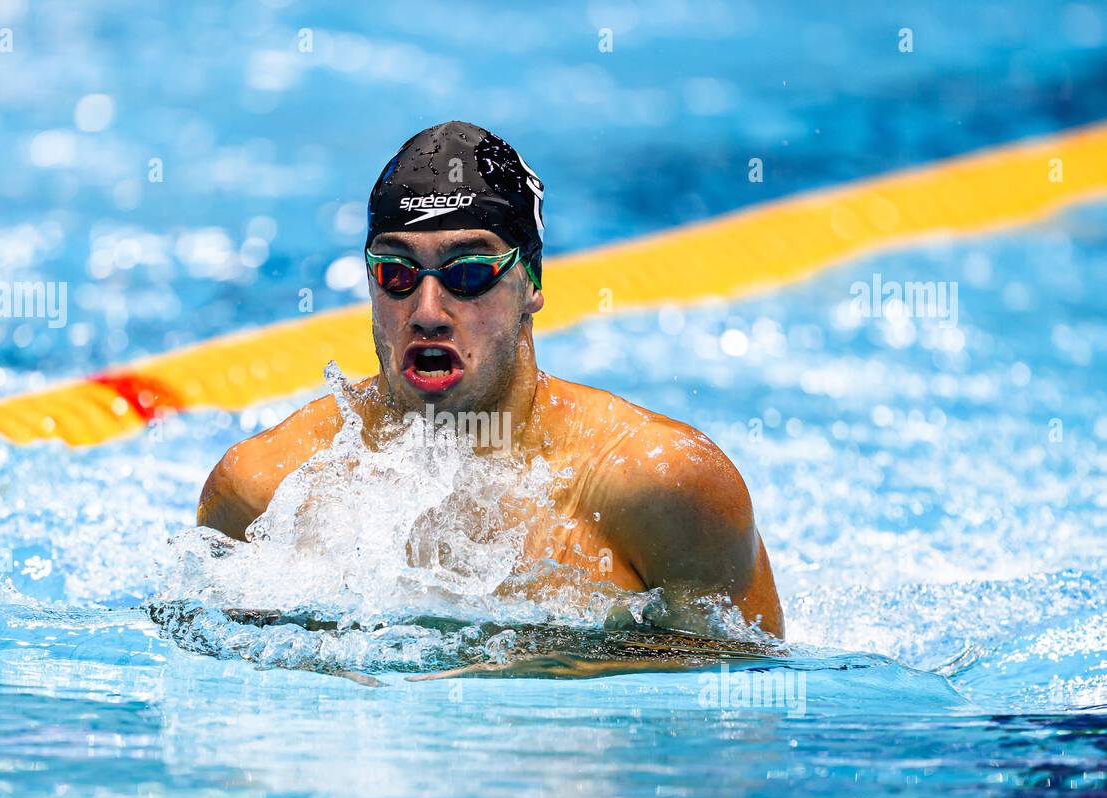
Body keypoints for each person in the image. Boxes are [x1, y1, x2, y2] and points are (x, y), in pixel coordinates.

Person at [198, 121, 783, 640]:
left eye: (470, 273)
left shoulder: (659, 487)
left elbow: (741, 720)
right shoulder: (264, 492)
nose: (427, 309)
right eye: (397, 273)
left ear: (530, 282)